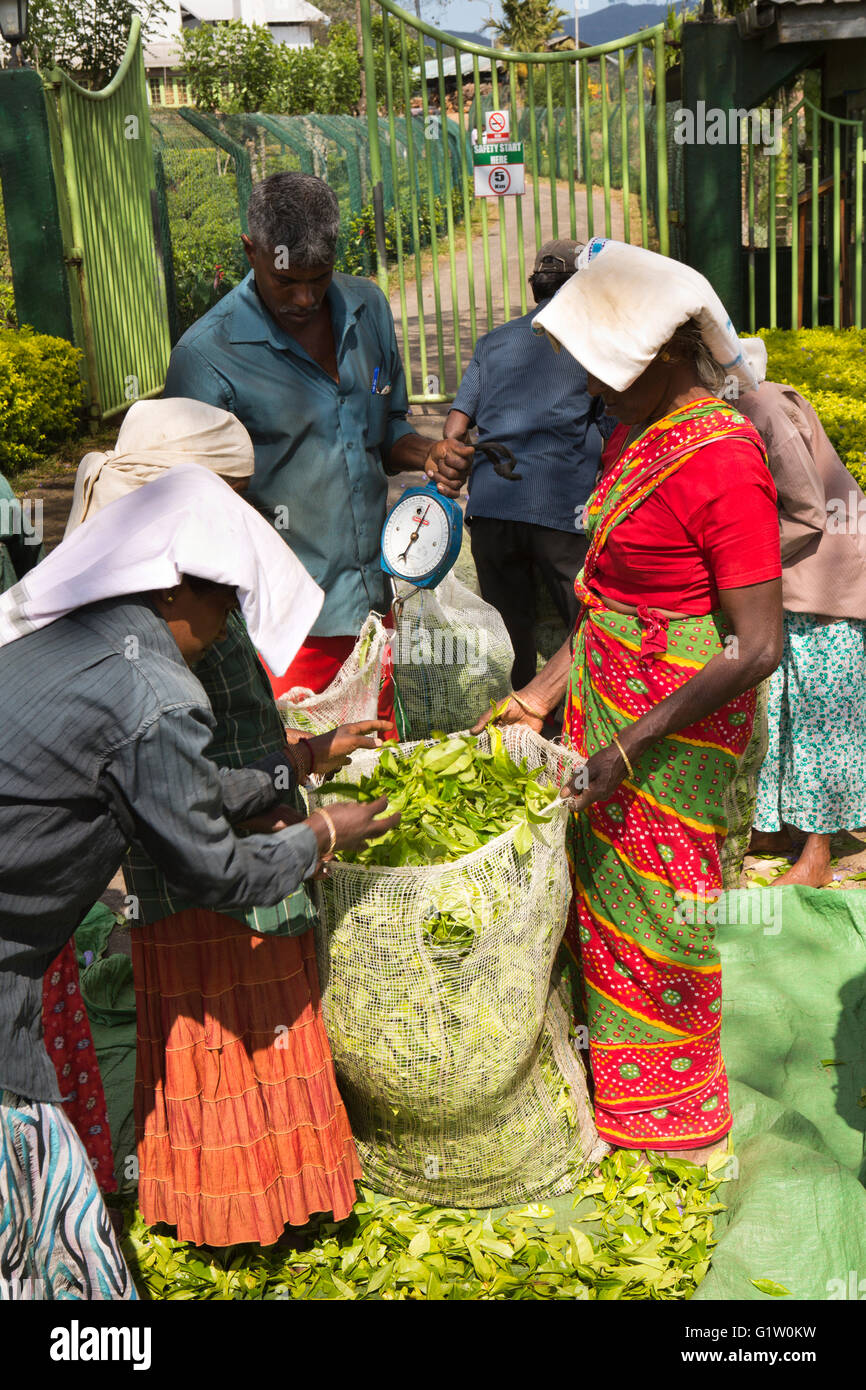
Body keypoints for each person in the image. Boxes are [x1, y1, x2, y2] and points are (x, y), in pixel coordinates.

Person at [0, 466, 398, 1299]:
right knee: (50, 1225)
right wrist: (324, 832)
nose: (223, 631)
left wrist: (297, 765)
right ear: (172, 588)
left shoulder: (90, 640)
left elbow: (171, 786)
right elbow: (214, 869)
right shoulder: (154, 690)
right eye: (221, 605)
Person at [475, 238, 783, 1162]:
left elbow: (757, 645)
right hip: (611, 703)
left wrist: (629, 746)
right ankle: (617, 1090)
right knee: (604, 893)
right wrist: (538, 696)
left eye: (607, 372)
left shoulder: (723, 460)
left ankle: (676, 1115)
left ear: (671, 355)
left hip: (675, 726)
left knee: (664, 906)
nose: (591, 391)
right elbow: (609, 600)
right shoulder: (634, 433)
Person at [162, 170, 473, 715]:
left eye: (320, 277)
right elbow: (189, 512)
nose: (305, 298)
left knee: (377, 753)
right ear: (251, 251)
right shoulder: (207, 357)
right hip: (280, 628)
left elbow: (384, 430)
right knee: (301, 757)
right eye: (286, 281)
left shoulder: (367, 309)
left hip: (375, 607)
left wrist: (426, 452)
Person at [443, 239, 609, 689]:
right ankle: (574, 720)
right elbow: (616, 431)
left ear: (536, 286)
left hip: (491, 509)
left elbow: (454, 430)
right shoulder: (592, 345)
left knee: (509, 644)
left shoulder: (493, 342)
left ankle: (515, 723)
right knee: (586, 634)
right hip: (561, 511)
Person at [735, 342, 866, 887]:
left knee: (820, 715)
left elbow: (810, 512)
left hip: (826, 583)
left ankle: (817, 852)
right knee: (780, 709)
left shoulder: (764, 407)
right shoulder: (734, 410)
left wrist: (738, 558)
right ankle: (775, 830)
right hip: (790, 581)